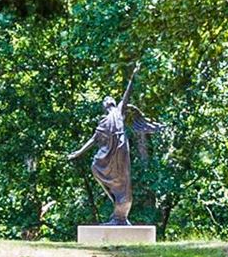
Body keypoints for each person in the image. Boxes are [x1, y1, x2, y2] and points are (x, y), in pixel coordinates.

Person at [68, 94, 163, 225]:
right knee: (97, 168)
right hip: (114, 151)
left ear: (106, 105)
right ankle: (118, 210)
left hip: (120, 149)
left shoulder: (118, 111)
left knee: (121, 178)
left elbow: (127, 95)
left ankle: (120, 217)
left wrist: (133, 76)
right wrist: (78, 152)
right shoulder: (105, 120)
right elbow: (94, 139)